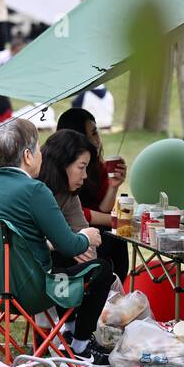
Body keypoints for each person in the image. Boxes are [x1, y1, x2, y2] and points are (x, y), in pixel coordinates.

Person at [0, 118, 113, 363]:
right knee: (103, 269)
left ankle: (66, 333)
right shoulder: (35, 190)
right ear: (27, 155)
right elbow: (69, 245)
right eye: (37, 150)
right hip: (30, 289)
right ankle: (79, 345)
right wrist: (85, 237)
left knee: (64, 263)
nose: (41, 156)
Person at [56, 107, 128, 282]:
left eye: (96, 133)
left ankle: (111, 290)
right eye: (91, 135)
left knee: (115, 236)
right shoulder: (56, 173)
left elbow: (100, 210)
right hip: (63, 237)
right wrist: (118, 221)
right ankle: (100, 285)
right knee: (112, 234)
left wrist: (113, 186)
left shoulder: (97, 167)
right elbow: (75, 214)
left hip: (86, 230)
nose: (96, 140)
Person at [38, 128, 101, 240]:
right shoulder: (29, 191)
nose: (85, 175)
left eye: (86, 168)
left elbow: (83, 232)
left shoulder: (68, 195)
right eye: (81, 167)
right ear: (62, 162)